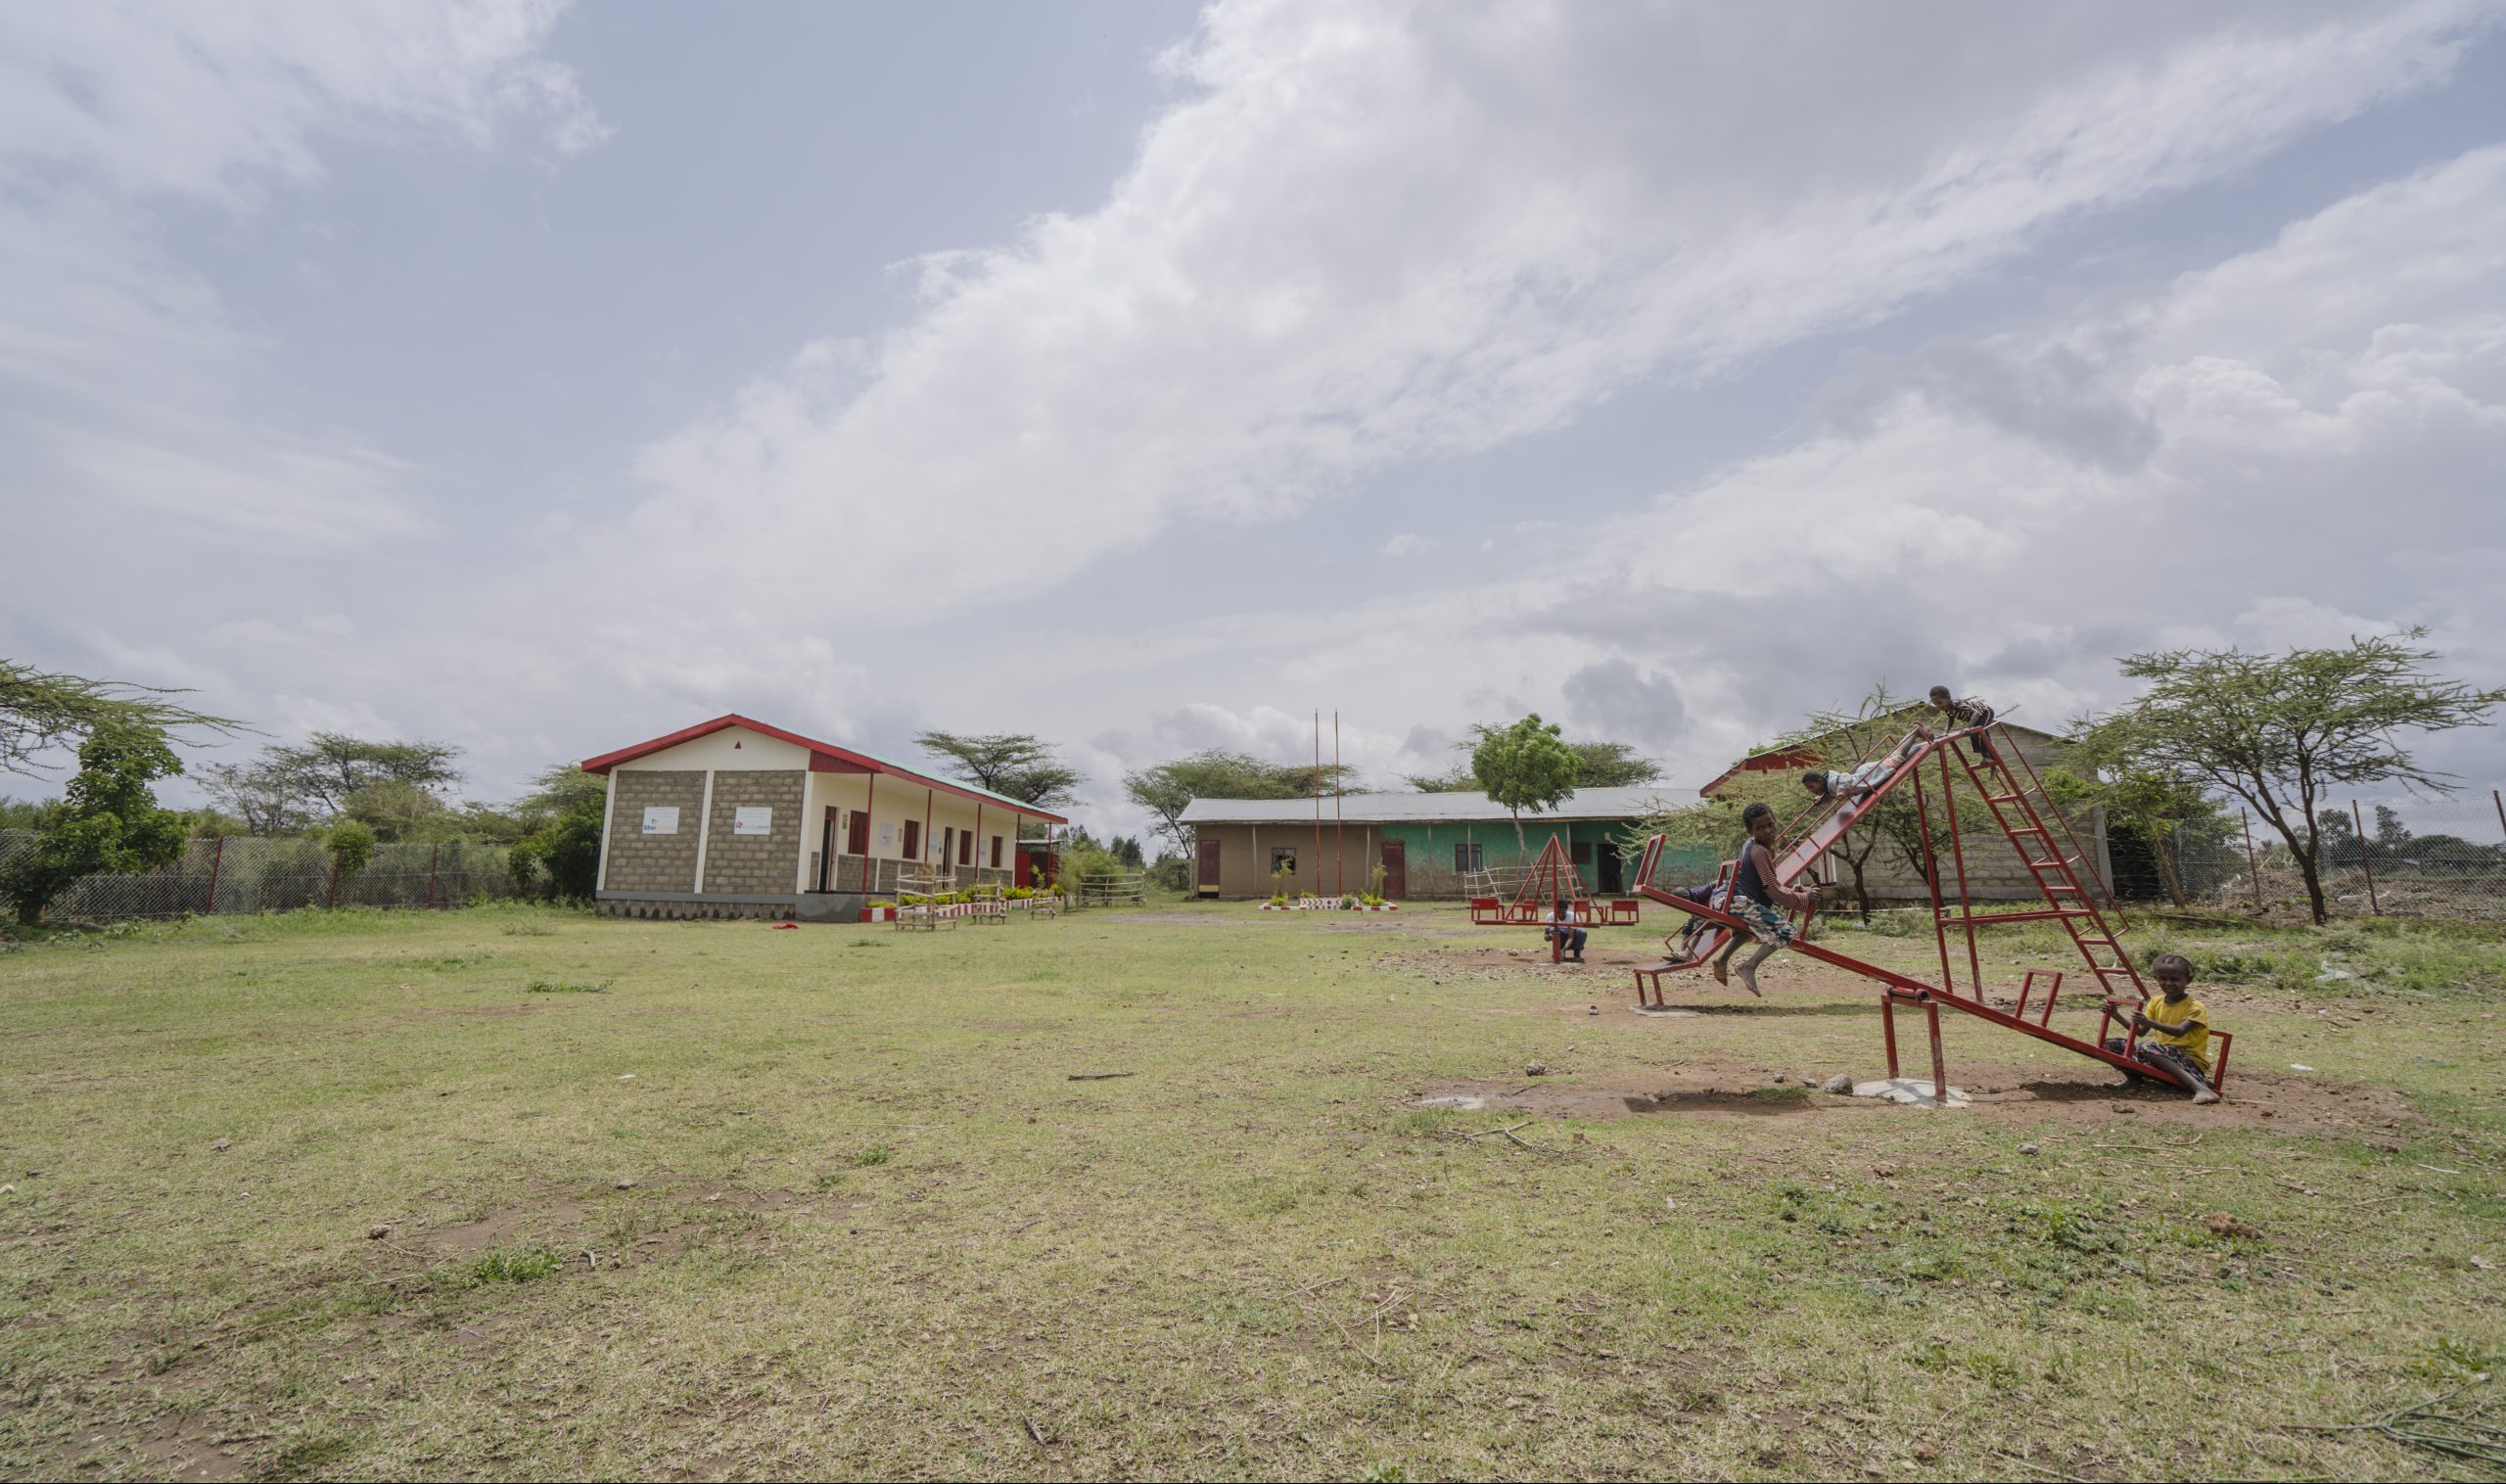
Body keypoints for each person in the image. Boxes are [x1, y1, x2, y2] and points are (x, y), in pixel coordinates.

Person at [1711, 802, 1819, 997]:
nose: (1768, 831)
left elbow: (1771, 886)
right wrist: (1804, 897)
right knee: (1787, 929)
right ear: (1750, 831)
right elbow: (1773, 890)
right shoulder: (1760, 852)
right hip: (1737, 900)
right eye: (1760, 828)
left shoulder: (1750, 845)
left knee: (1747, 930)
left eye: (1770, 824)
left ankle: (1722, 960)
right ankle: (1749, 966)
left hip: (1725, 898)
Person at [2104, 952, 2223, 1105]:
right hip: (2161, 1053)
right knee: (2110, 1045)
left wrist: (2151, 1022)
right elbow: (2140, 1031)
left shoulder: (2194, 1007)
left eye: (2174, 979)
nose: (2168, 983)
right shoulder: (2155, 1002)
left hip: (2190, 1061)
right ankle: (2134, 1080)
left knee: (2147, 1047)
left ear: (2188, 980)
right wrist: (2115, 1015)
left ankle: (2201, 1088)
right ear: (2156, 979)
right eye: (2163, 979)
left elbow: (2179, 1031)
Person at [1800, 728, 1929, 806]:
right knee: (1895, 756)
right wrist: (1820, 799)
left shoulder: (1833, 781)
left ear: (1820, 781)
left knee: (1898, 759)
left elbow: (1845, 777)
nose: (1811, 790)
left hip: (1869, 775)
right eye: (1808, 789)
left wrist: (1841, 791)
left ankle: (1915, 732)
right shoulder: (1827, 787)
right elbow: (1829, 796)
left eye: (1812, 787)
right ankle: (1912, 732)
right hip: (1864, 776)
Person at [1927, 685, 1998, 760]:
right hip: (1976, 718)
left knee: (1978, 731)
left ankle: (1986, 757)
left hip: (1985, 713)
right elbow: (1951, 719)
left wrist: (1967, 727)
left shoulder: (1957, 704)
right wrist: (1946, 732)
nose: (1938, 706)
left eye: (1939, 702)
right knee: (1973, 733)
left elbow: (1976, 713)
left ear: (1948, 697)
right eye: (1935, 704)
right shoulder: (1947, 709)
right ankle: (1990, 760)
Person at [1545, 898, 1587, 963]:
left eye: (1563, 912)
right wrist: (1548, 937)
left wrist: (1563, 950)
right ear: (1555, 910)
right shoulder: (1550, 916)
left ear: (1566, 910)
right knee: (1553, 930)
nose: (1560, 914)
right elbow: (1546, 934)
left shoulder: (1572, 917)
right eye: (1558, 912)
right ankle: (1559, 953)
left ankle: (1576, 953)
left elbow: (1571, 937)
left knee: (1581, 932)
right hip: (1561, 937)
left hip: (1572, 938)